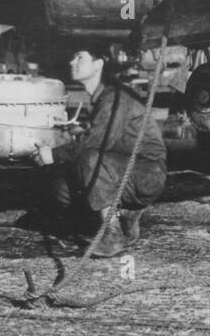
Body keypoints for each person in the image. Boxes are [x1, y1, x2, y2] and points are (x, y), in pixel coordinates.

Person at [30, 45, 167, 256]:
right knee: (61, 185)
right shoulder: (106, 96)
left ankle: (112, 235)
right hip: (128, 170)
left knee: (89, 159)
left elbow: (97, 143)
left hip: (146, 174)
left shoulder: (114, 97)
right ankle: (123, 219)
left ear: (98, 65)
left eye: (79, 57)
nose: (71, 62)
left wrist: (53, 154)